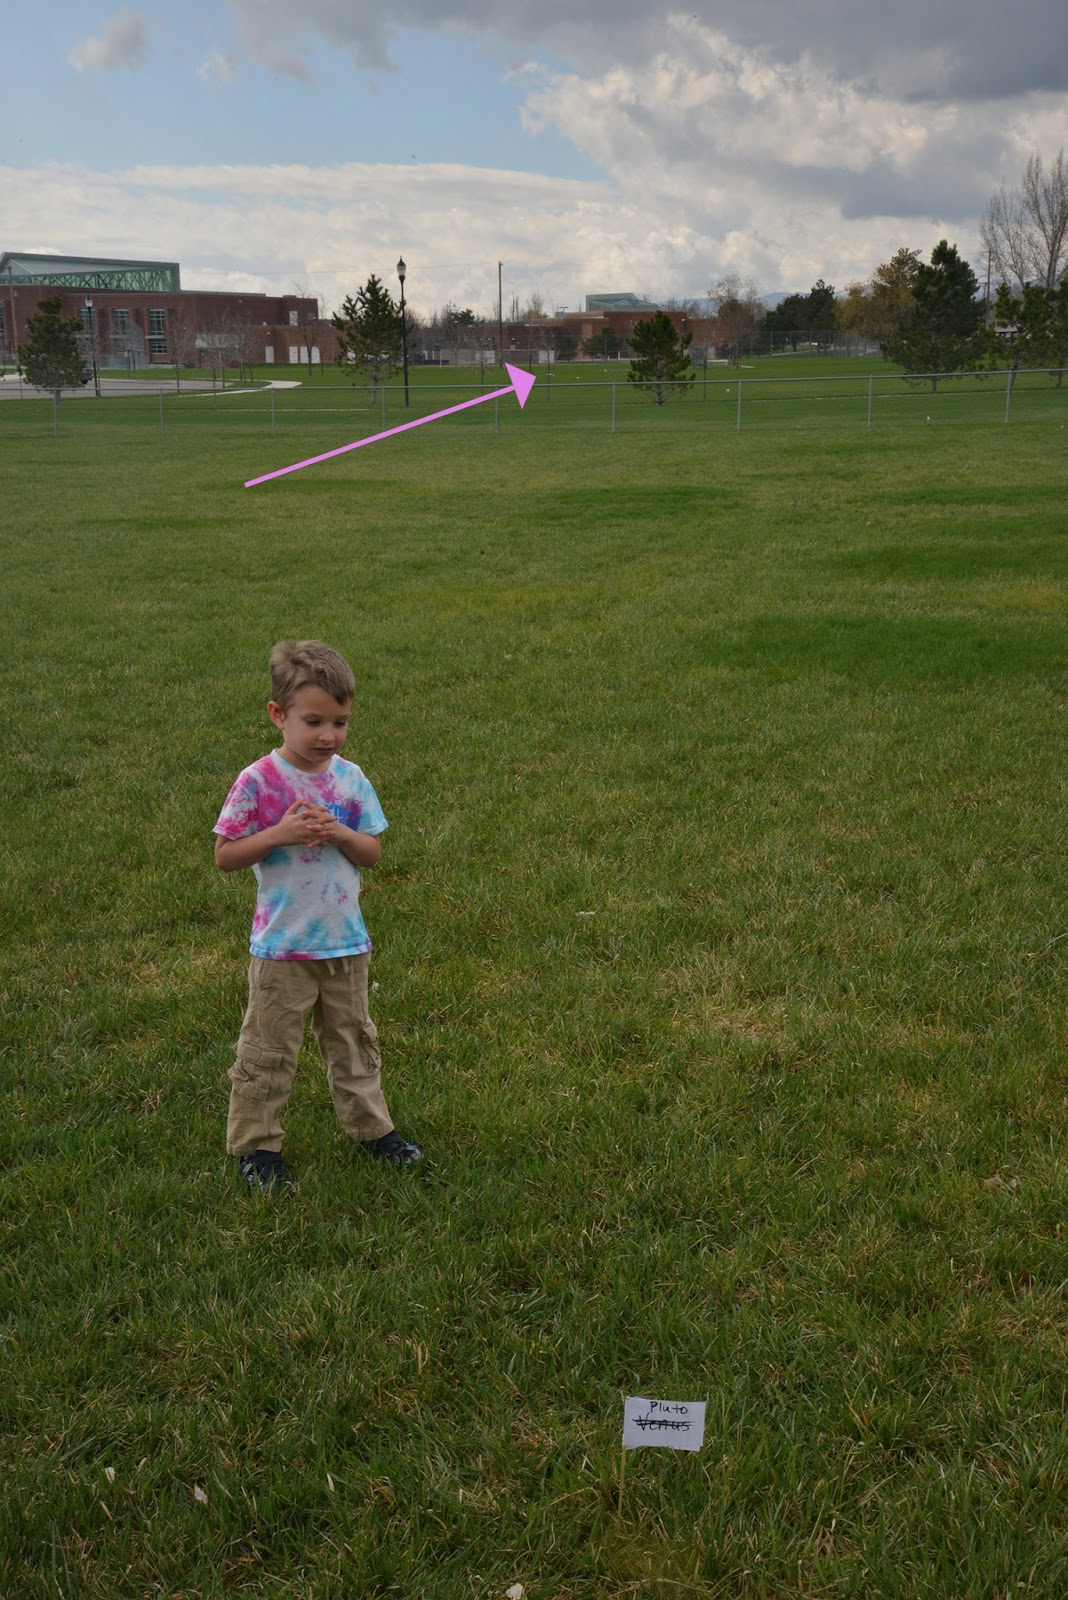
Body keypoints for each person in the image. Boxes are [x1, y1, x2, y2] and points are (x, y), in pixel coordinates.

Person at [213, 639, 421, 1193]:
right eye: (314, 721)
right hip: (283, 948)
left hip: (345, 944)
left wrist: (343, 833)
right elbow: (226, 855)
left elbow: (372, 852)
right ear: (278, 716)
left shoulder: (350, 780)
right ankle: (257, 1148)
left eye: (340, 721)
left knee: (354, 1042)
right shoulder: (259, 781)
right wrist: (279, 834)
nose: (328, 735)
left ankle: (373, 1130)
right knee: (269, 1050)